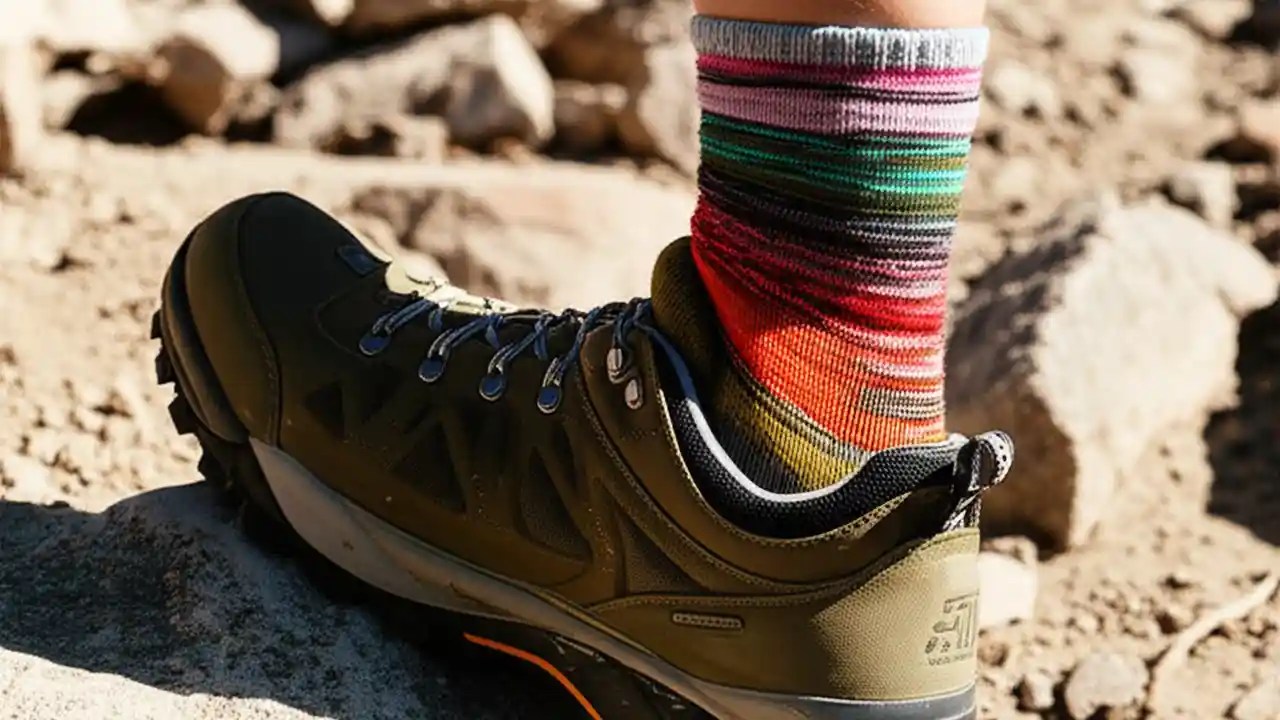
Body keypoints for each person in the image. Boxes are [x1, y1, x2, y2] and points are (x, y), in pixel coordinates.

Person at [152, 0, 1012, 717]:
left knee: (800, 312)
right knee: (847, 331)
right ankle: (850, 523)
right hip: (894, 622)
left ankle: (743, 419)